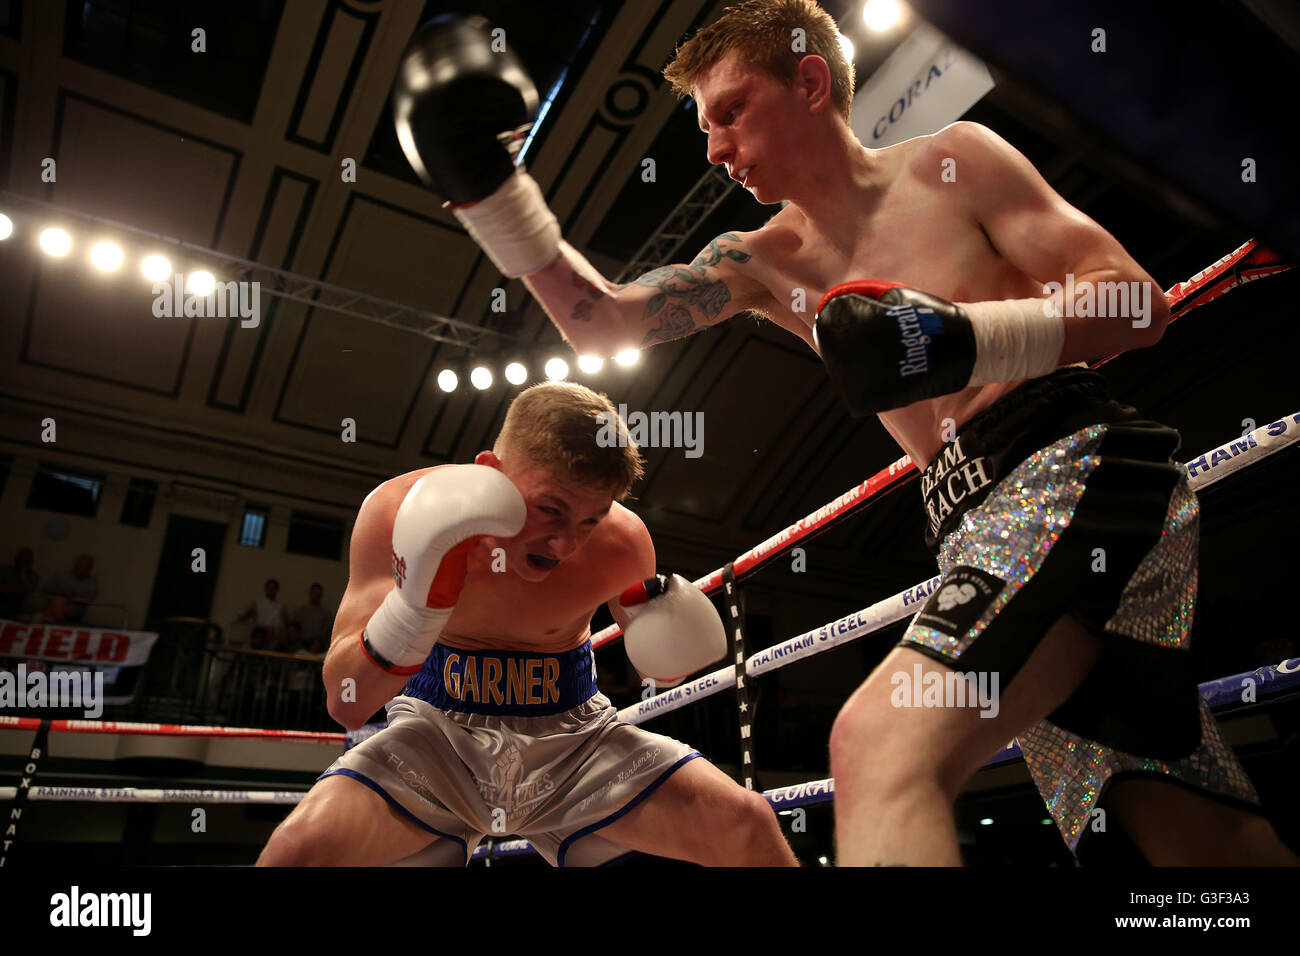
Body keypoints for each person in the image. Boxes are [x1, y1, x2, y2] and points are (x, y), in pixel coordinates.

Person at [390, 2, 1295, 864]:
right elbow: (603, 323)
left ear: (811, 83)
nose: (715, 149)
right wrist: (491, 195)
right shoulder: (759, 260)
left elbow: (1136, 303)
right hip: (976, 521)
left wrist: (965, 338)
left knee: (876, 747)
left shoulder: (954, 161)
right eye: (705, 128)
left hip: (1071, 466)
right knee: (1186, 830)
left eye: (731, 113)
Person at [258, 382, 797, 866]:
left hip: (577, 740)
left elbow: (666, 666)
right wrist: (416, 606)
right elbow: (345, 702)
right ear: (491, 471)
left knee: (745, 823)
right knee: (298, 851)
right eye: (550, 510)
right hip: (433, 737)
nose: (566, 544)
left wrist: (673, 646)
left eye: (591, 518)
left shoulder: (623, 543)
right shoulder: (400, 510)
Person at [42, 554, 98, 623]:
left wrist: (74, 593)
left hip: (75, 613)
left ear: (89, 569)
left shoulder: (91, 580)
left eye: (85, 568)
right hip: (53, 609)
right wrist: (61, 592)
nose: (81, 570)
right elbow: (44, 588)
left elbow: (91, 596)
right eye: (79, 567)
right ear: (75, 565)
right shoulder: (61, 575)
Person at [235, 579, 289, 646]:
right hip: (258, 635)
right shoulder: (257, 603)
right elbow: (245, 616)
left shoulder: (281, 606)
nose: (271, 590)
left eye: (273, 588)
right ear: (266, 589)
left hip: (272, 636)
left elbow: (286, 623)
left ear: (277, 590)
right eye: (269, 588)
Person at [0, 548, 41, 619]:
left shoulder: (34, 576)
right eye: (21, 558)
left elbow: (29, 590)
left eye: (27, 559)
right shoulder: (5, 570)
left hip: (20, 601)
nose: (23, 561)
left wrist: (23, 574)